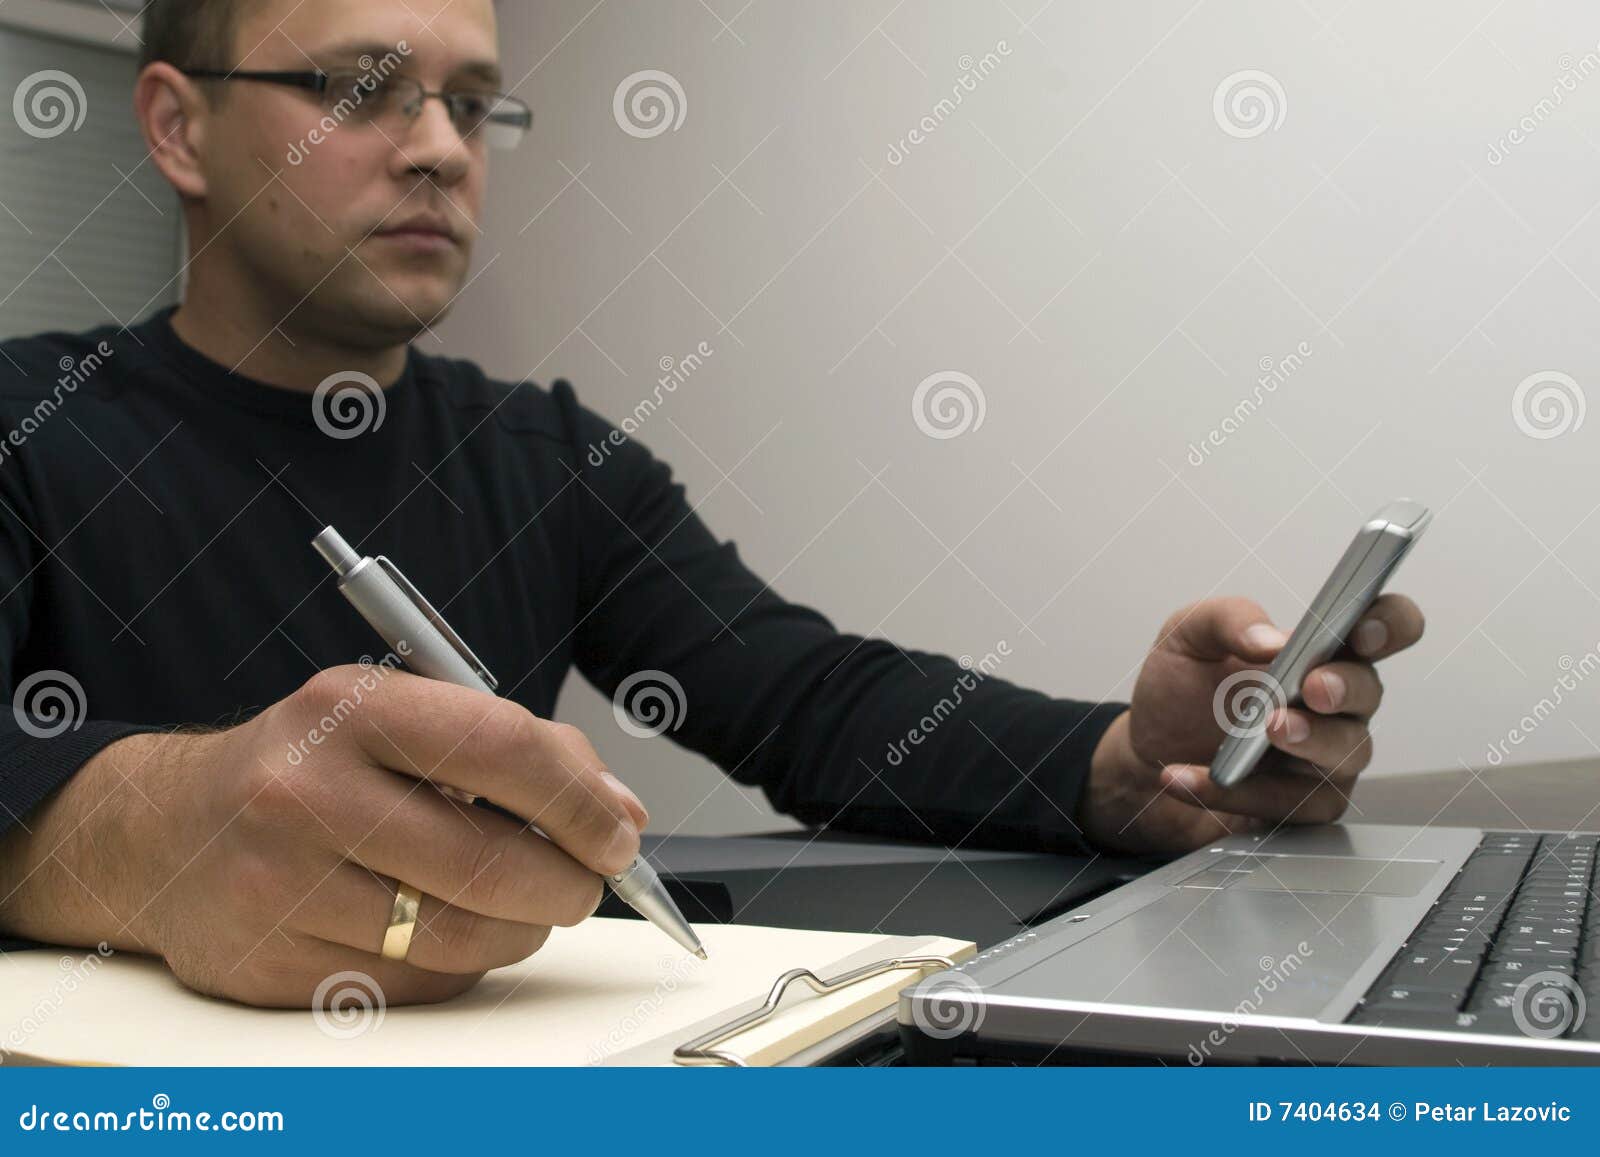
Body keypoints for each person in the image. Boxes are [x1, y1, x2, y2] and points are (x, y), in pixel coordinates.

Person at [0, 0, 1422, 1009]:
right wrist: (147, 827)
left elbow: (806, 697)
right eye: (364, 88)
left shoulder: (545, 455)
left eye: (475, 103)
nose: (439, 146)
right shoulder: (26, 426)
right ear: (179, 126)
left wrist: (1119, 766)